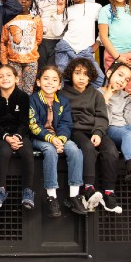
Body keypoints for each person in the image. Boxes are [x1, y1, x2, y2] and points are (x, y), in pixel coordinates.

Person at [59, 58, 122, 213]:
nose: (82, 77)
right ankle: (89, 188)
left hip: (95, 130)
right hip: (75, 130)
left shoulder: (96, 94)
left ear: (91, 76)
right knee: (88, 148)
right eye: (78, 73)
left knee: (111, 150)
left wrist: (98, 133)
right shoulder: (62, 93)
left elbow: (102, 116)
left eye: (86, 74)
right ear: (70, 74)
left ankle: (109, 192)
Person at [29, 64, 87, 217]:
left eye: (54, 80)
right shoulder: (32, 99)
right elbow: (33, 125)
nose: (50, 82)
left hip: (58, 137)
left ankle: (74, 195)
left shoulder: (63, 101)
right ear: (38, 82)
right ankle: (51, 196)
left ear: (60, 85)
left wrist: (60, 139)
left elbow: (66, 124)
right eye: (46, 79)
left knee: (74, 150)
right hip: (39, 138)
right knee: (50, 151)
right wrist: (52, 140)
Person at [0, 64, 35, 210]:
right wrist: (6, 137)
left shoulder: (23, 97)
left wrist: (18, 137)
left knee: (27, 151)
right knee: (5, 151)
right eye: (0, 76)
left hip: (18, 134)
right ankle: (0, 190)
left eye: (8, 75)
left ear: (16, 79)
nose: (5, 78)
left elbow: (25, 122)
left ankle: (28, 191)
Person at [55, 0, 103, 86]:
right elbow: (57, 32)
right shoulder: (68, 10)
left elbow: (105, 27)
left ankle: (90, 102)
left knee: (100, 81)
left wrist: (98, 43)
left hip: (85, 51)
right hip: (66, 48)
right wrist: (59, 11)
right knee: (62, 81)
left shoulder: (96, 7)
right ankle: (64, 102)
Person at [0, 0, 42, 94]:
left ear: (31, 1)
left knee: (28, 90)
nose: (24, 1)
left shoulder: (35, 18)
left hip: (31, 61)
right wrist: (4, 61)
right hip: (13, 61)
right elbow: (4, 41)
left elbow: (38, 39)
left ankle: (27, 110)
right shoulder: (8, 18)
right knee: (15, 90)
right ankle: (15, 111)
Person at [27, 0, 65, 66]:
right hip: (39, 43)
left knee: (55, 74)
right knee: (41, 73)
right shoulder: (29, 1)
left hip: (58, 42)